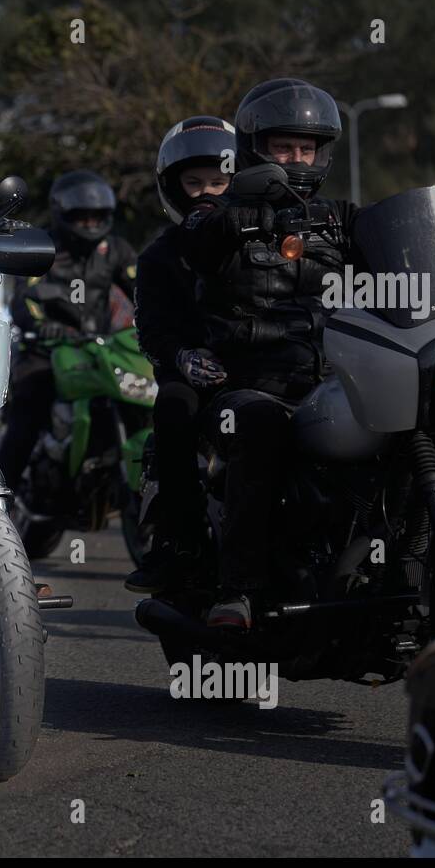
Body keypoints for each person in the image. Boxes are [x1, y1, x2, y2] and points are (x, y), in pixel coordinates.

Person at [174, 79, 355, 631]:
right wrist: (245, 215)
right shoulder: (217, 214)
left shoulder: (342, 219)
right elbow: (199, 241)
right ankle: (240, 592)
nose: (297, 160)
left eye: (307, 148)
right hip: (248, 383)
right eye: (284, 148)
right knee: (259, 424)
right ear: (254, 148)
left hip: (332, 380)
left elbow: (403, 256)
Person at [124, 116, 236, 594]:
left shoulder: (267, 242)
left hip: (264, 364)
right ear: (174, 186)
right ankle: (179, 542)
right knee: (173, 406)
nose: (207, 192)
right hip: (192, 373)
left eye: (218, 181)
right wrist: (184, 356)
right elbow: (150, 328)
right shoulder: (158, 257)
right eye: (194, 183)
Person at [0, 170, 137, 489]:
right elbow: (24, 300)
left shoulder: (115, 250)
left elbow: (146, 293)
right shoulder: (42, 249)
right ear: (63, 214)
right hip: (46, 351)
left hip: (100, 348)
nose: (90, 224)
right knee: (29, 408)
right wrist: (45, 328)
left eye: (96, 216)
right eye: (81, 217)